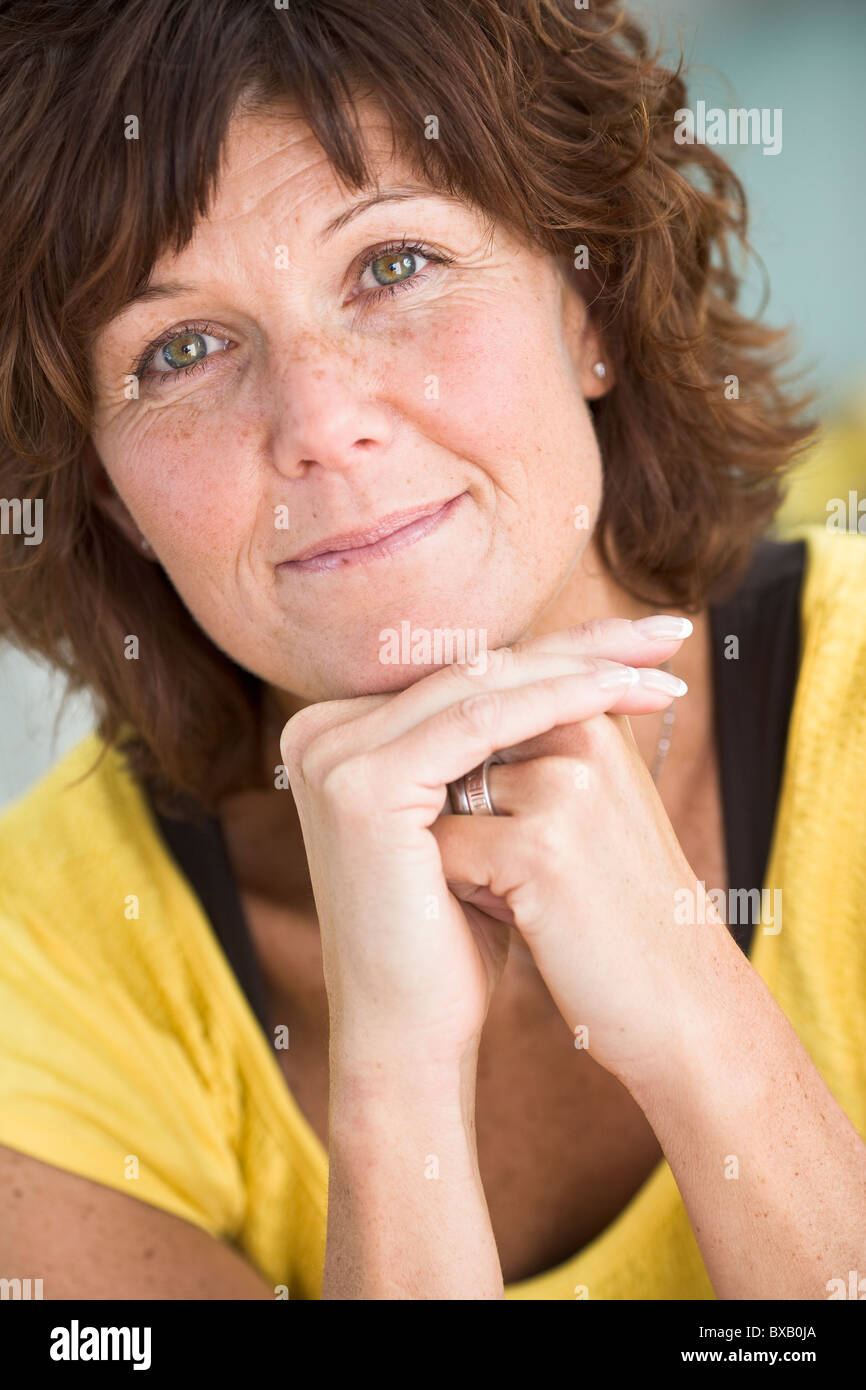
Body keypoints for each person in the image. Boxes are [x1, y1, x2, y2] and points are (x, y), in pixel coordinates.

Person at [1, 0, 864, 1301]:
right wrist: (393, 1092)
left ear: (590, 296)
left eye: (391, 266)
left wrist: (710, 1036)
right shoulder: (41, 970)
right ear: (107, 490)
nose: (320, 421)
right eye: (179, 349)